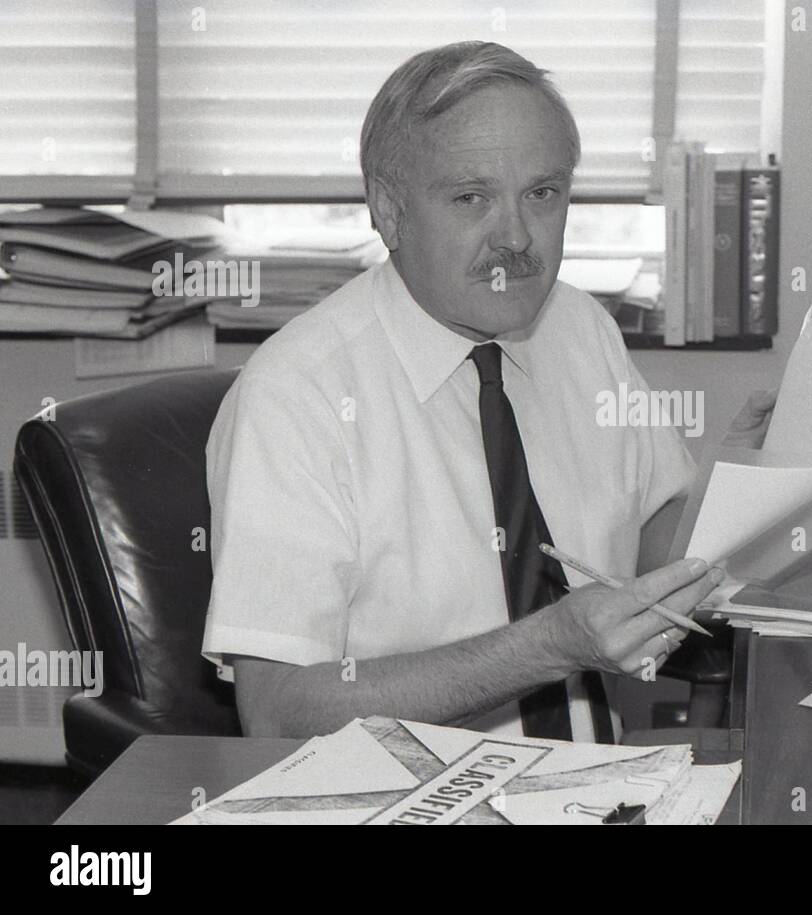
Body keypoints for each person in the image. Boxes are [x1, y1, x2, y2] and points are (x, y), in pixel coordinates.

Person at [202, 41, 774, 741]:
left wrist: (741, 503)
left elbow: (652, 543)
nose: (516, 238)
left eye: (543, 193)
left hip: (594, 787)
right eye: (471, 198)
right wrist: (546, 646)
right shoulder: (296, 396)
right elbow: (278, 709)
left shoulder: (577, 327)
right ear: (389, 209)